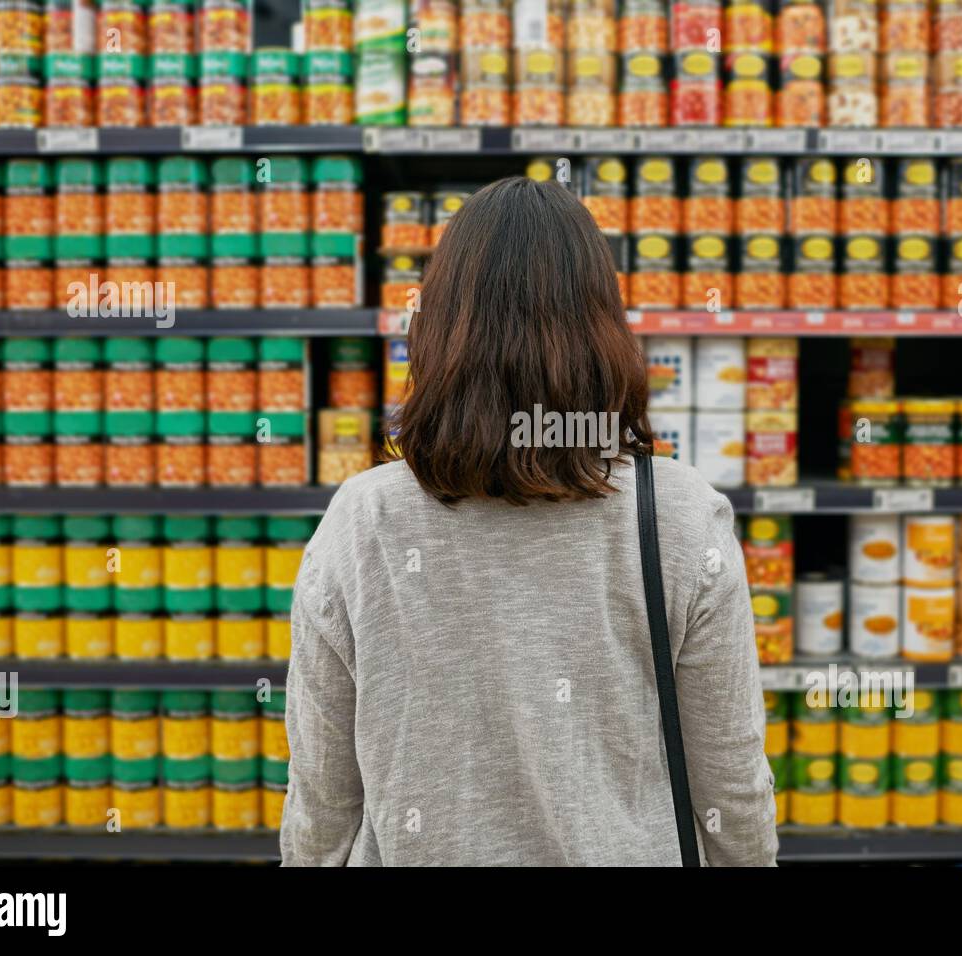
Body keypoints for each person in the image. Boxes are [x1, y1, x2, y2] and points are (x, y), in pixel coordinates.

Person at [280, 176, 778, 866]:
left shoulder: (364, 520)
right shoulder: (681, 516)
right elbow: (732, 789)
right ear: (604, 328)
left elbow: (323, 806)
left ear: (436, 327)